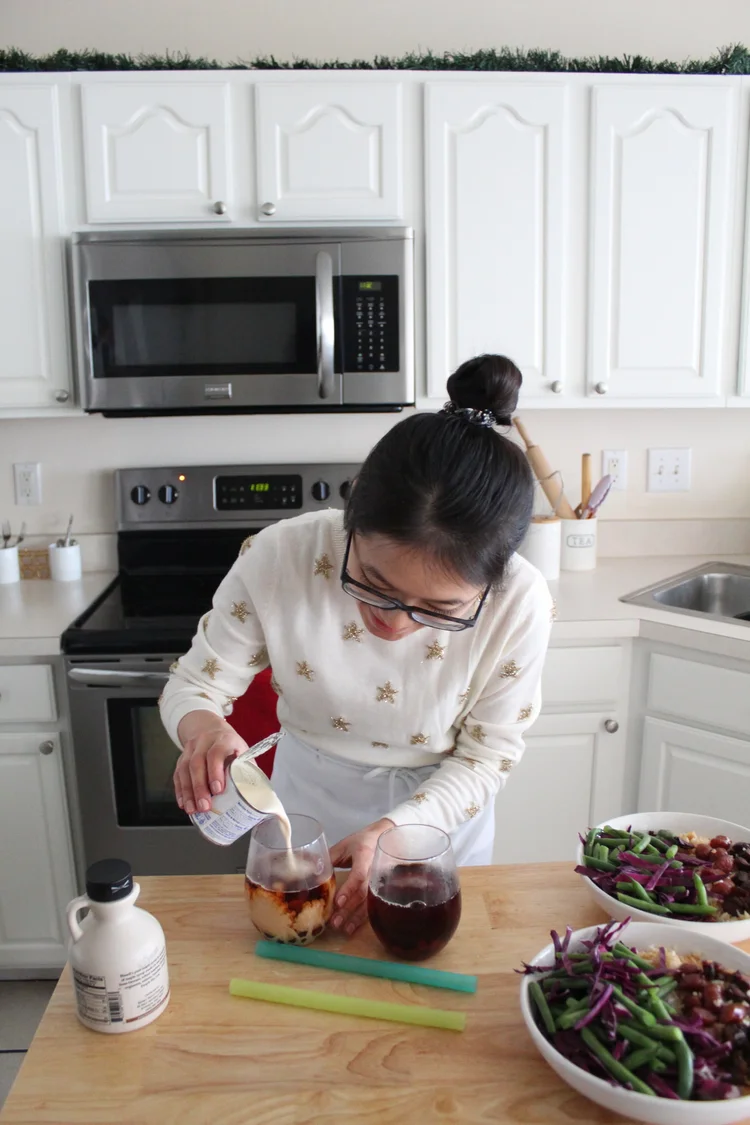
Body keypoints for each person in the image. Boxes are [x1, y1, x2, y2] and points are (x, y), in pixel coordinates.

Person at [161, 354, 554, 935]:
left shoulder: (520, 602)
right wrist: (201, 729)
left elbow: (487, 756)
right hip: (308, 803)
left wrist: (397, 831)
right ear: (349, 523)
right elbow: (196, 684)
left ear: (492, 581)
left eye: (440, 610)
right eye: (372, 585)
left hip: (440, 815)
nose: (396, 624)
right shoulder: (283, 556)